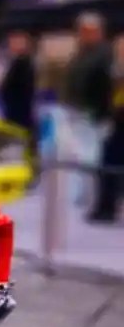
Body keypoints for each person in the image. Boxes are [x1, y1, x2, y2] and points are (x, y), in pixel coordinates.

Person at [63, 13, 114, 211]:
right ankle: (81, 194)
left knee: (92, 156)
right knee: (81, 155)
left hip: (95, 114)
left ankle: (92, 196)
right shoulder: (82, 54)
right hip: (79, 110)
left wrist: (102, 112)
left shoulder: (104, 55)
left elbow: (104, 87)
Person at [87, 36, 124, 223]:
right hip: (113, 124)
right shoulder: (112, 72)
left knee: (113, 166)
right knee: (106, 165)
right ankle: (105, 206)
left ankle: (109, 206)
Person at [0, 31, 36, 143]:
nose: (12, 45)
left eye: (17, 42)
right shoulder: (15, 62)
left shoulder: (22, 64)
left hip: (19, 114)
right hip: (14, 112)